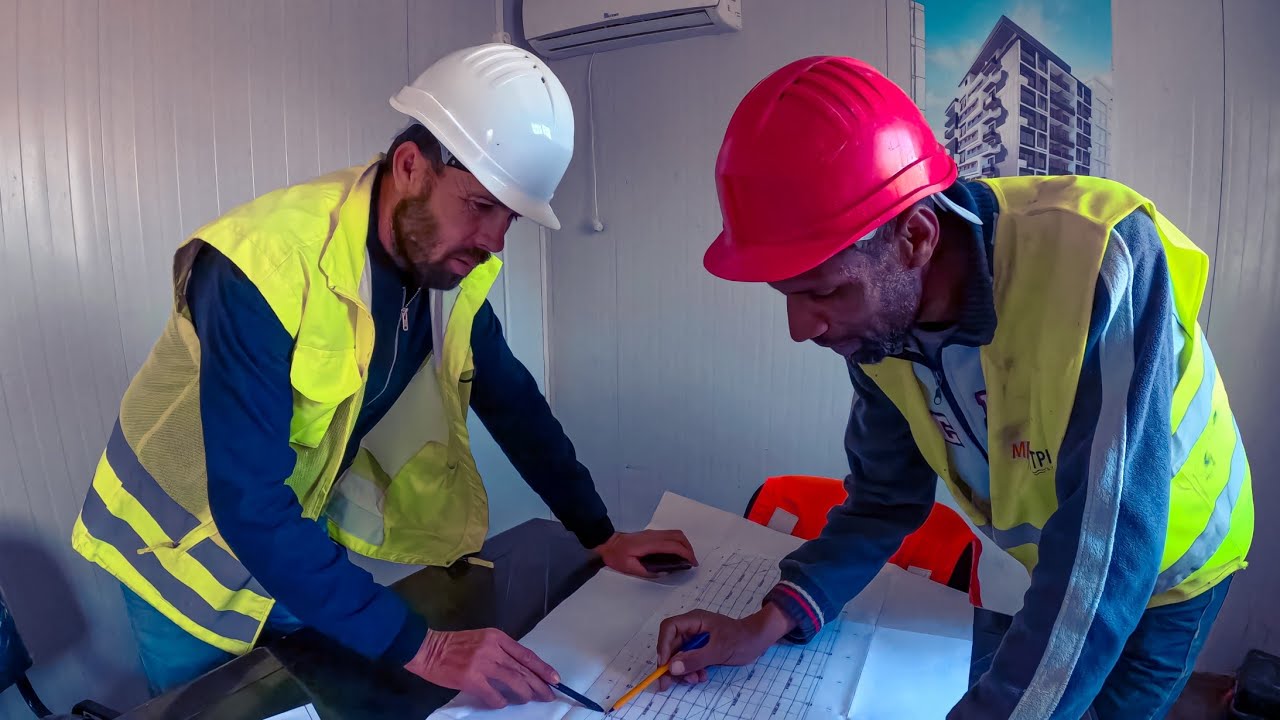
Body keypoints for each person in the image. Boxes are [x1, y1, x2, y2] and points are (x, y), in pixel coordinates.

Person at [71, 43, 695, 707]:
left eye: (509, 218)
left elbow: (512, 402)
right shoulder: (265, 267)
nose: (494, 241)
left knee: (316, 692)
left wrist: (599, 533)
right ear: (410, 166)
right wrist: (422, 648)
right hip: (176, 560)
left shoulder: (445, 269)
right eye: (481, 205)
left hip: (286, 545)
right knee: (217, 707)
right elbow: (248, 501)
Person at [654, 56, 1253, 719]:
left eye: (823, 291)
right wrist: (764, 624)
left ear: (915, 236)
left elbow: (1104, 555)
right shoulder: (877, 325)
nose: (802, 328)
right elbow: (884, 502)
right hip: (1065, 567)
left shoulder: (1100, 260)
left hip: (1175, 567)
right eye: (786, 296)